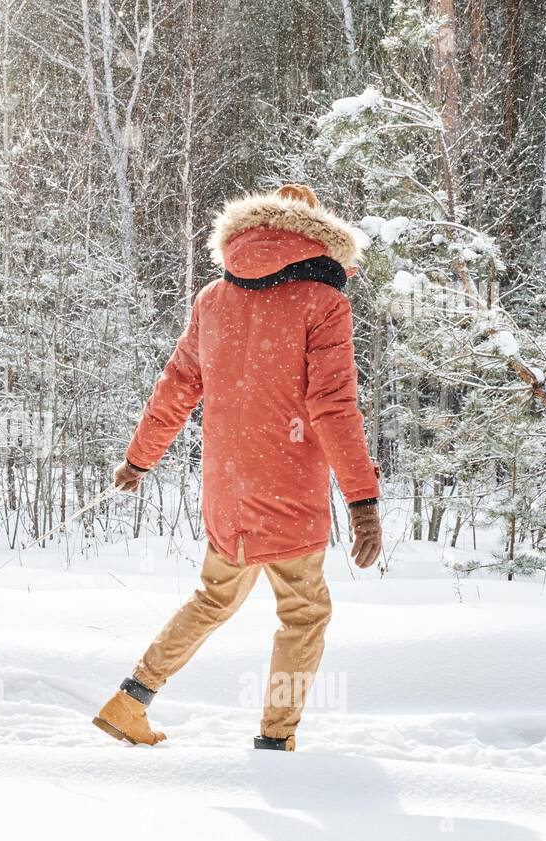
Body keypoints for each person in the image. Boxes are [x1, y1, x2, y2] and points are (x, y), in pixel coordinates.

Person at [93, 184, 384, 752]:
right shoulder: (323, 303)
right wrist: (363, 501)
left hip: (227, 486)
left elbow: (177, 386)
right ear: (314, 238)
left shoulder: (213, 299)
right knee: (303, 613)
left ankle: (131, 700)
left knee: (213, 598)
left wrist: (139, 458)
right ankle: (276, 741)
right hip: (288, 490)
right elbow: (334, 406)